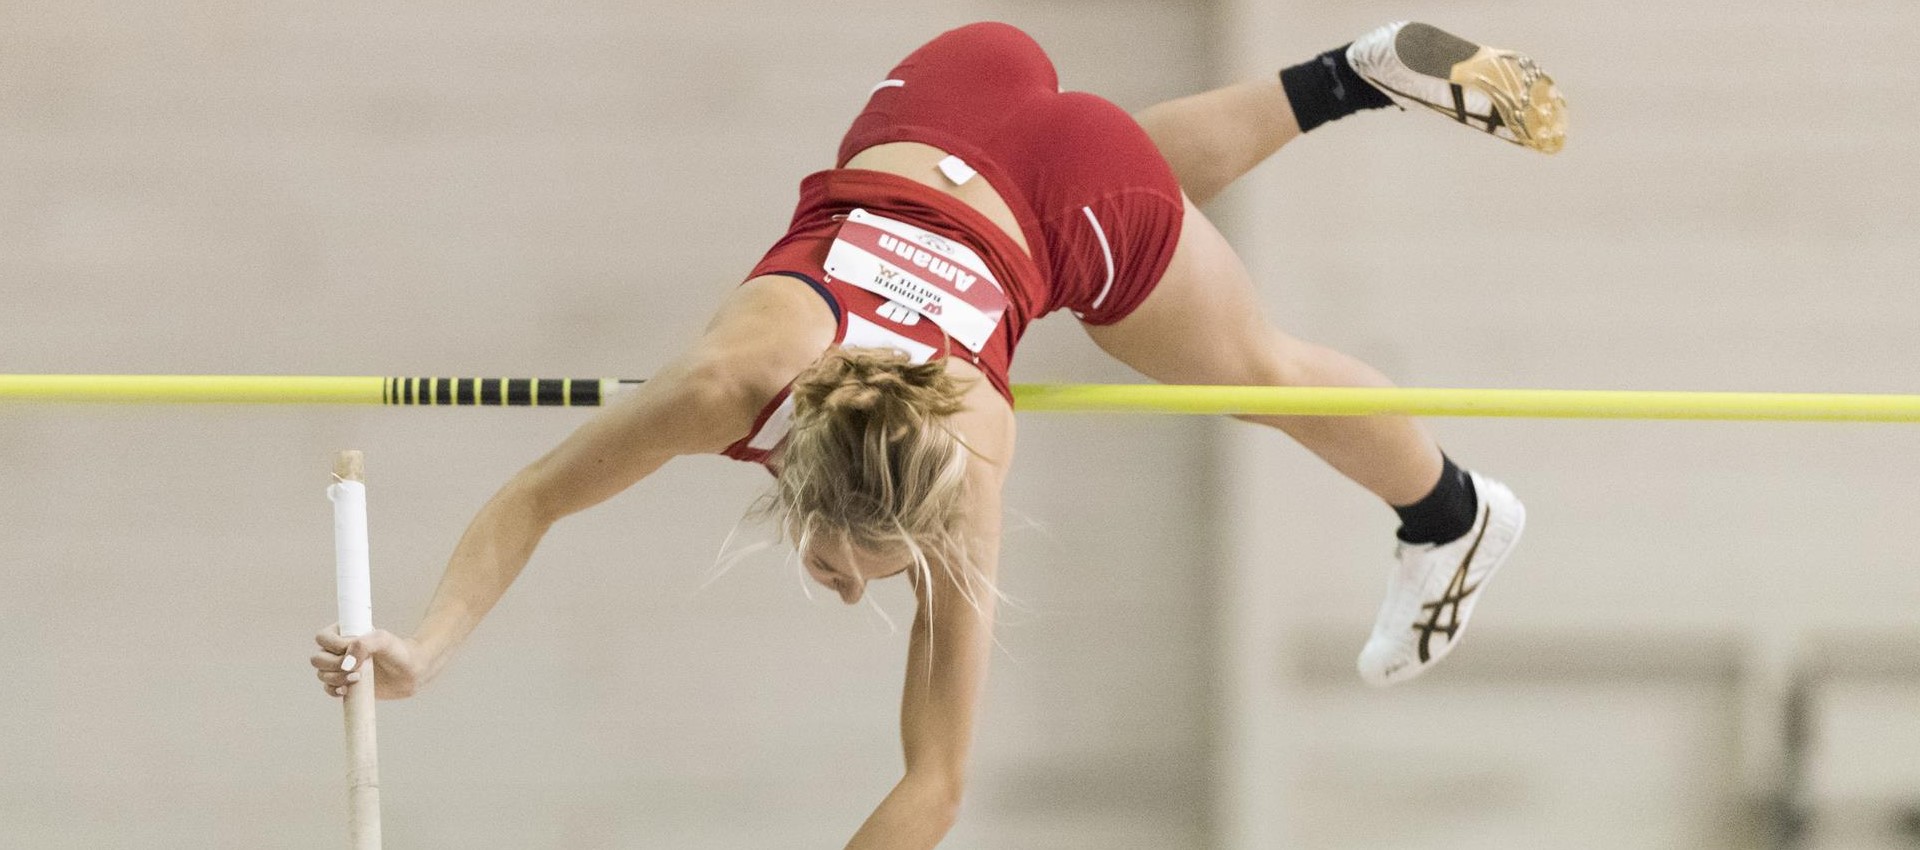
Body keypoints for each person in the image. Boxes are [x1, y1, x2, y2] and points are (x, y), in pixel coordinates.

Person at [309, 20, 1556, 847]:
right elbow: (931, 783)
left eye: (852, 571)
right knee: (1111, 176)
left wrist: (435, 638)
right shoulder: (736, 383)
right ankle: (1348, 73)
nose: (853, 591)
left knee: (1263, 371)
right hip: (987, 120)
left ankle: (1451, 512)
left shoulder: (941, 458)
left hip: (994, 133)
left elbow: (934, 785)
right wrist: (423, 643)